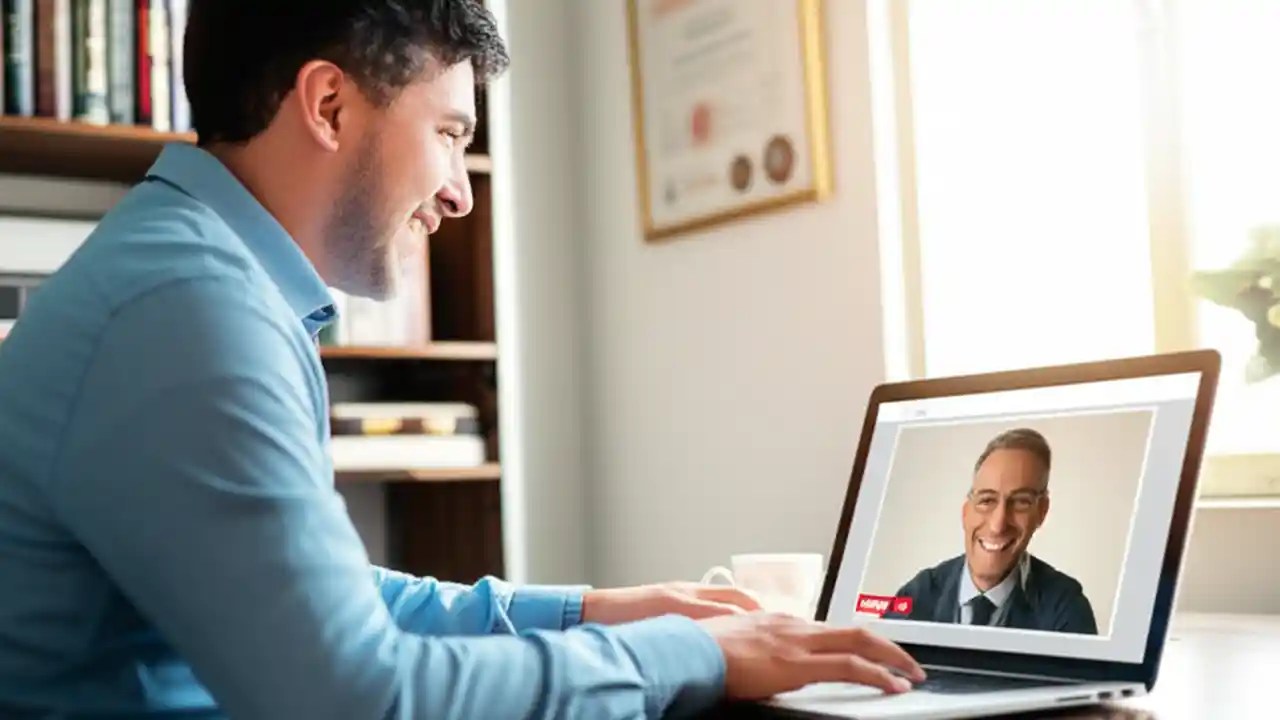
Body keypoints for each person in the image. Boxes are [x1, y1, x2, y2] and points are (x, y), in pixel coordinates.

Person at [0, 2, 926, 717]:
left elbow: (326, 605)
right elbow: (361, 695)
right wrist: (699, 657)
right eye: (449, 134)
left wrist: (595, 612)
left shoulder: (190, 276)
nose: (460, 194)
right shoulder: (192, 312)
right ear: (328, 105)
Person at [881, 428, 1097, 634]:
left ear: (1042, 512)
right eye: (986, 500)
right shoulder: (917, 595)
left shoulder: (1066, 608)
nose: (997, 525)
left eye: (1021, 502)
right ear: (965, 512)